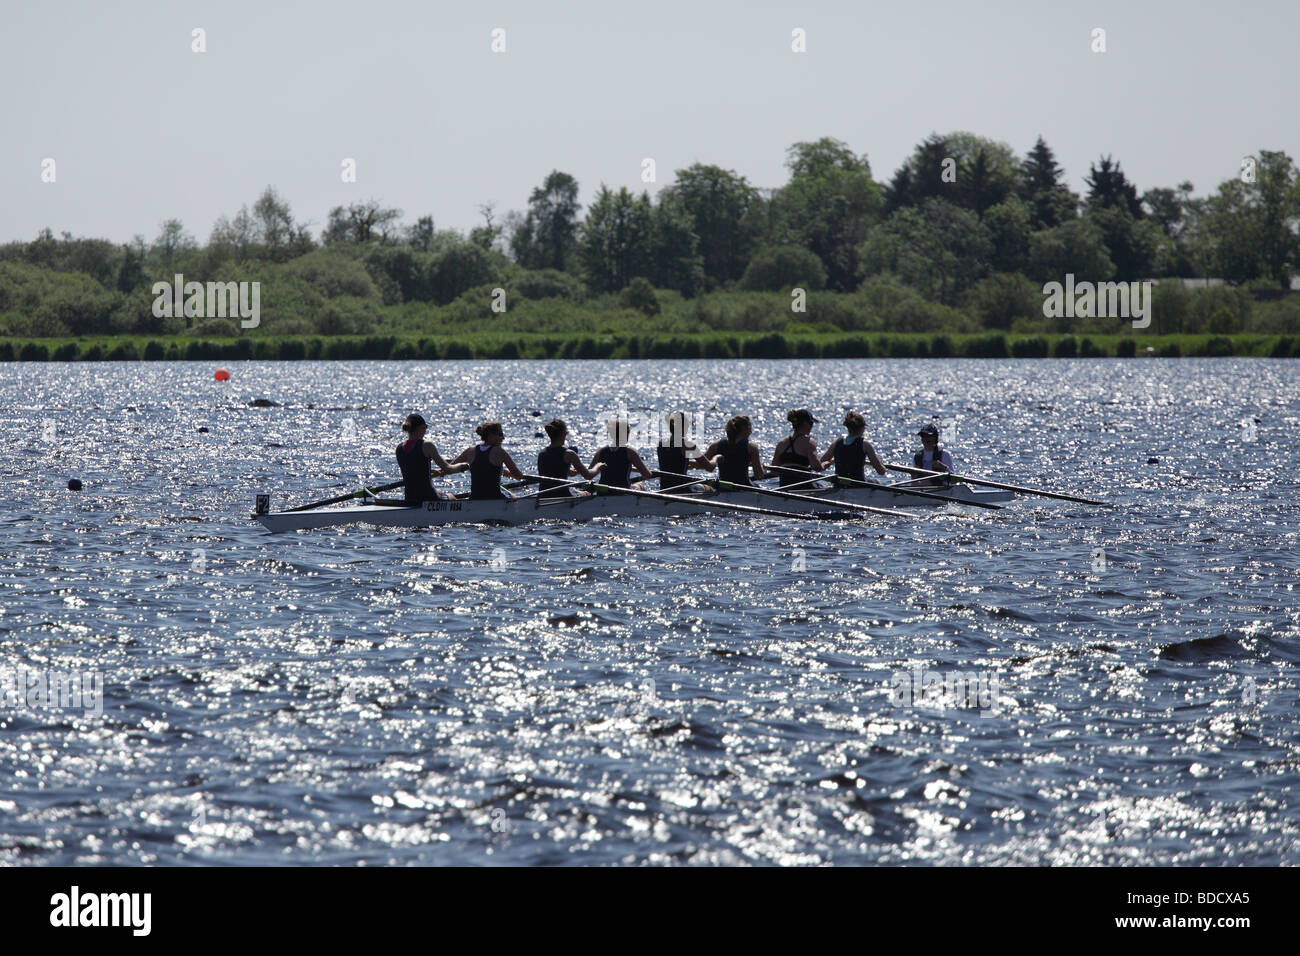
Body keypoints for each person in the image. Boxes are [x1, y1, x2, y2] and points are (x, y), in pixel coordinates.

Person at [395, 413, 465, 504]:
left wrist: (430, 470)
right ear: (420, 428)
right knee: (451, 496)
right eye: (425, 427)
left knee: (439, 490)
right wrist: (463, 465)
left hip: (410, 497)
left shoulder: (399, 448)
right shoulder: (427, 445)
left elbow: (412, 467)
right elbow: (448, 469)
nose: (425, 430)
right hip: (428, 497)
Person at [450, 421, 525, 499]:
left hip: (474, 498)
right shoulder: (500, 451)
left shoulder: (470, 451)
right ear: (491, 436)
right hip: (495, 498)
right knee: (514, 497)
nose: (503, 438)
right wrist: (508, 473)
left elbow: (450, 468)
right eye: (501, 434)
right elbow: (519, 476)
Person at [536, 419, 602, 497]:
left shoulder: (542, 454)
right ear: (562, 434)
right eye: (566, 433)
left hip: (543, 495)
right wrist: (598, 467)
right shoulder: (569, 454)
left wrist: (572, 471)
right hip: (562, 495)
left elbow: (554, 470)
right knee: (587, 493)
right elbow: (588, 476)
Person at [821, 411, 887, 483]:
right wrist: (881, 465)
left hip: (839, 485)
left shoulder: (836, 442)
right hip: (858, 485)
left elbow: (821, 463)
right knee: (877, 482)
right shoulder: (865, 444)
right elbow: (881, 471)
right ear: (862, 427)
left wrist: (833, 461)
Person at [701, 414, 767, 486]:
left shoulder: (715, 445)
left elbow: (701, 464)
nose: (751, 431)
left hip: (723, 486)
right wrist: (761, 466)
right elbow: (759, 476)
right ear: (744, 429)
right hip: (744, 488)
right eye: (750, 427)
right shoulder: (752, 447)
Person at [590, 418, 653, 490]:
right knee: (640, 486)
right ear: (626, 434)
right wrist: (647, 470)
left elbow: (588, 474)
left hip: (603, 492)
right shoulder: (630, 452)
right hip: (623, 492)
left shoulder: (600, 452)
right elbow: (647, 475)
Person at [771, 409, 825, 487]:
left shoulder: (781, 443)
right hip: (804, 487)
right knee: (825, 487)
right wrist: (827, 463)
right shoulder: (809, 442)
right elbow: (817, 468)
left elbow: (774, 472)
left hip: (784, 486)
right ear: (805, 423)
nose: (812, 426)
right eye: (811, 423)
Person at [656, 411, 709, 491]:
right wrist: (717, 458)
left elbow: (672, 462)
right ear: (683, 427)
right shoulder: (688, 445)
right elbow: (710, 467)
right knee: (709, 488)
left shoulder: (660, 444)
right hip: (683, 490)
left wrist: (689, 463)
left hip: (664, 489)